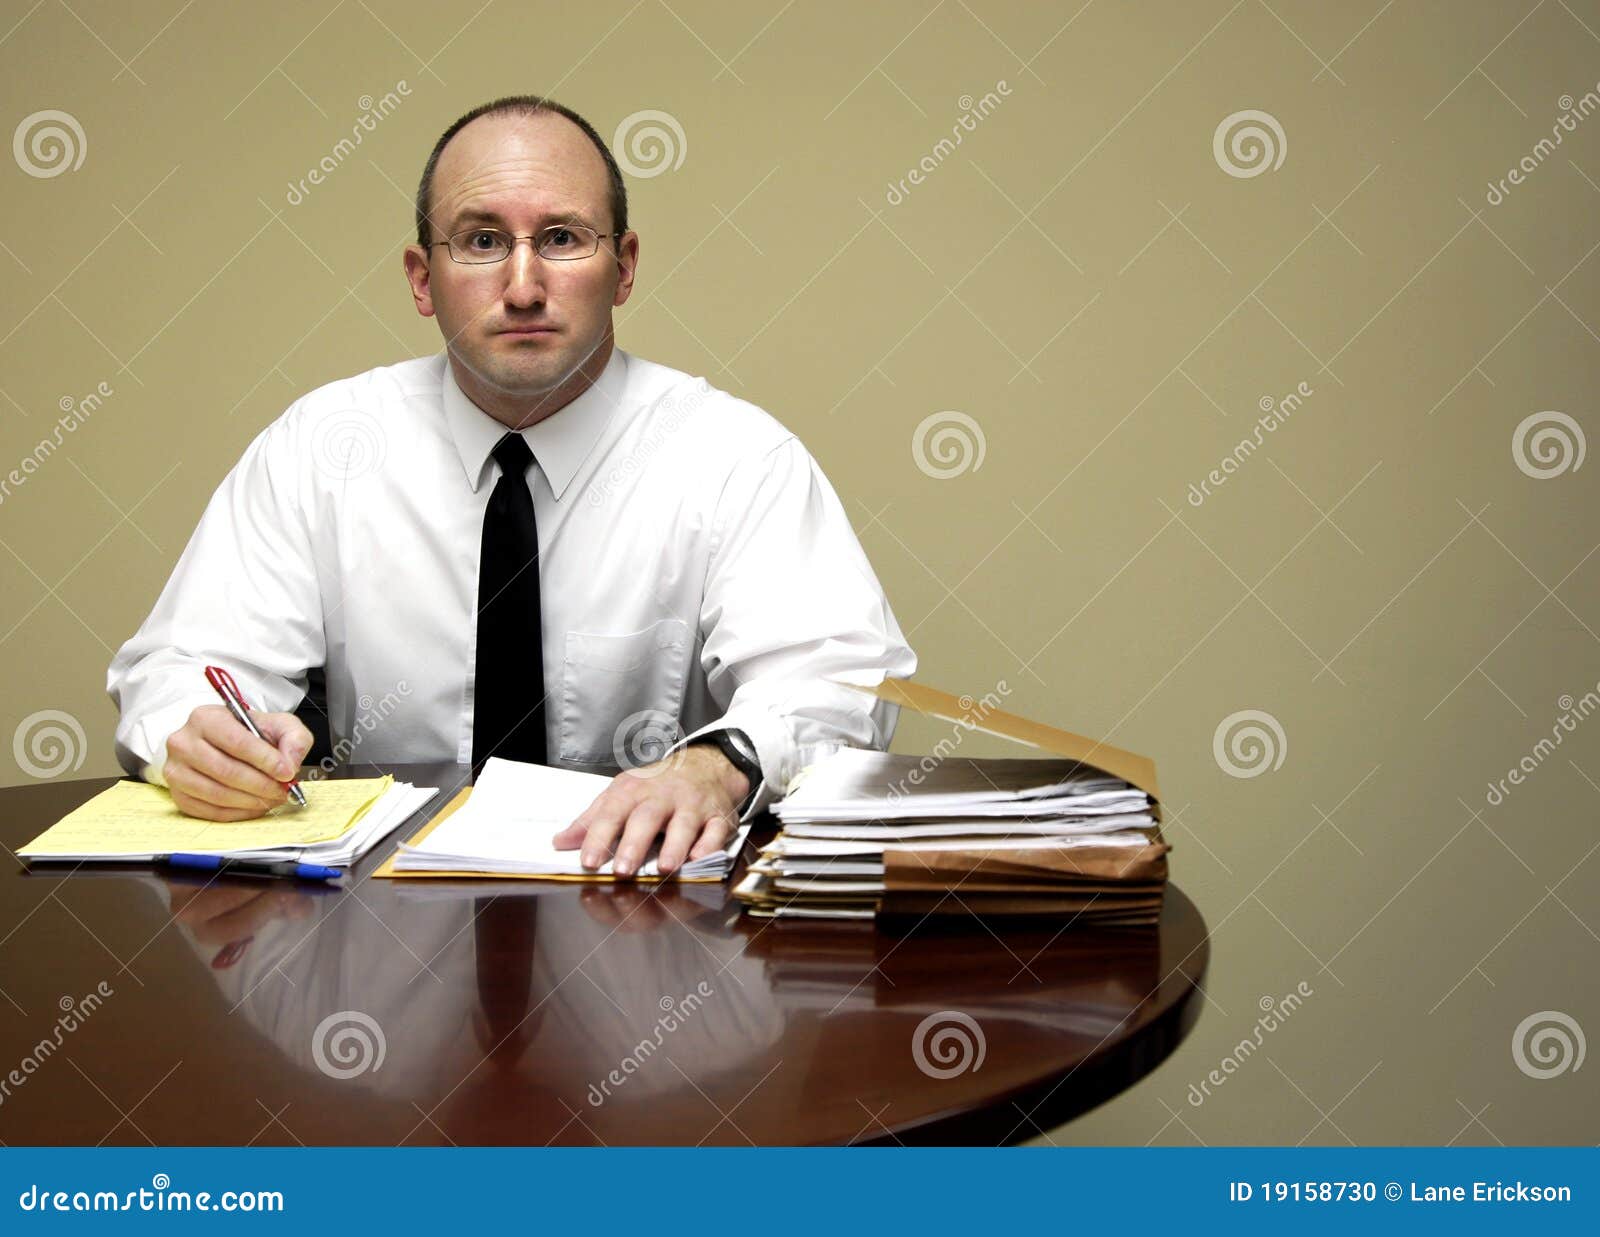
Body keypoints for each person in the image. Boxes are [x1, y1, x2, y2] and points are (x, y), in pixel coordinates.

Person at [107, 94, 914, 876]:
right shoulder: (320, 450)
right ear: (421, 278)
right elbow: (183, 664)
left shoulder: (737, 457)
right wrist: (198, 737)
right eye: (482, 241)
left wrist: (717, 763)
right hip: (380, 926)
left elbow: (839, 681)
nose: (524, 287)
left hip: (649, 920)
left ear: (624, 267)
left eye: (561, 238)